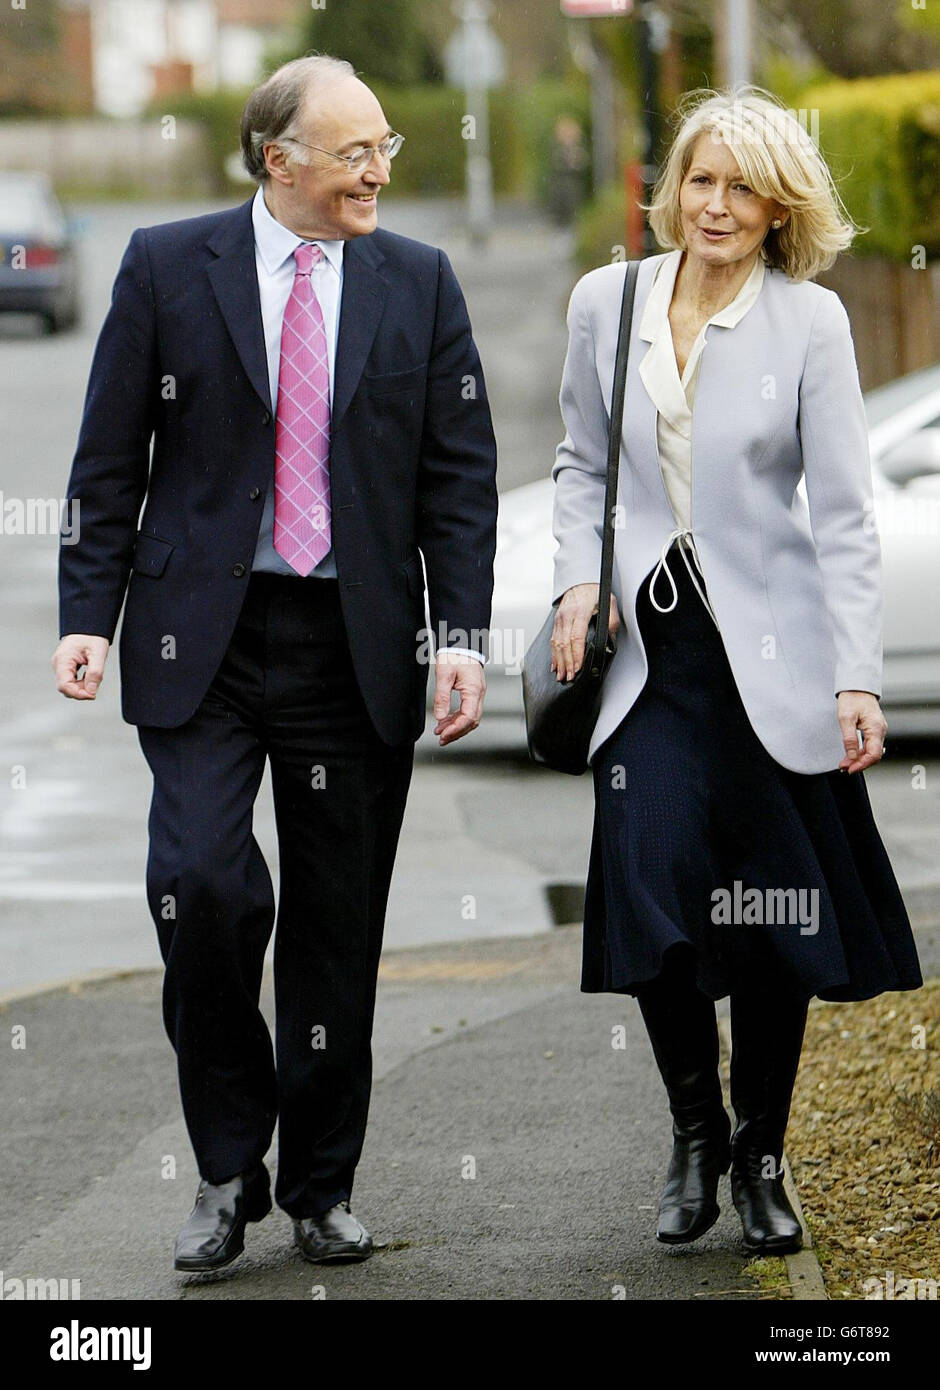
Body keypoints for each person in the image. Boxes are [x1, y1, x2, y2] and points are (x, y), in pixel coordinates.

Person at [52, 55, 497, 1272]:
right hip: (202, 638)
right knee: (201, 886)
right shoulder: (164, 265)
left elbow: (457, 482)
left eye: (384, 147)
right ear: (278, 161)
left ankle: (318, 1187)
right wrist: (85, 613)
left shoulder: (420, 281)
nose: (378, 171)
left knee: (334, 931)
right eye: (355, 152)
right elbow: (107, 458)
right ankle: (222, 1163)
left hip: (352, 645)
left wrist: (460, 637)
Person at [548, 86, 922, 1255]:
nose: (715, 204)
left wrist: (855, 676)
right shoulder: (604, 302)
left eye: (741, 187)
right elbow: (575, 462)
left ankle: (763, 1154)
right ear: (674, 186)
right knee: (653, 886)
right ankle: (695, 1128)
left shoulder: (808, 324)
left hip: (774, 653)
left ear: (777, 208)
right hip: (650, 657)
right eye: (700, 179)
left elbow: (848, 515)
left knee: (776, 915)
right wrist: (576, 579)